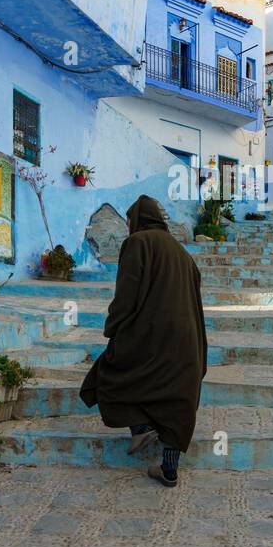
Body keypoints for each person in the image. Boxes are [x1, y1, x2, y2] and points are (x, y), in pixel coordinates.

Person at [80, 195, 207, 487]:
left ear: (138, 219)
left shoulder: (137, 243)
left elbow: (127, 294)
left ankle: (139, 426)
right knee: (177, 398)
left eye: (129, 220)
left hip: (150, 332)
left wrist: (113, 326)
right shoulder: (183, 253)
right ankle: (169, 469)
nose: (128, 226)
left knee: (110, 374)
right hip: (187, 340)